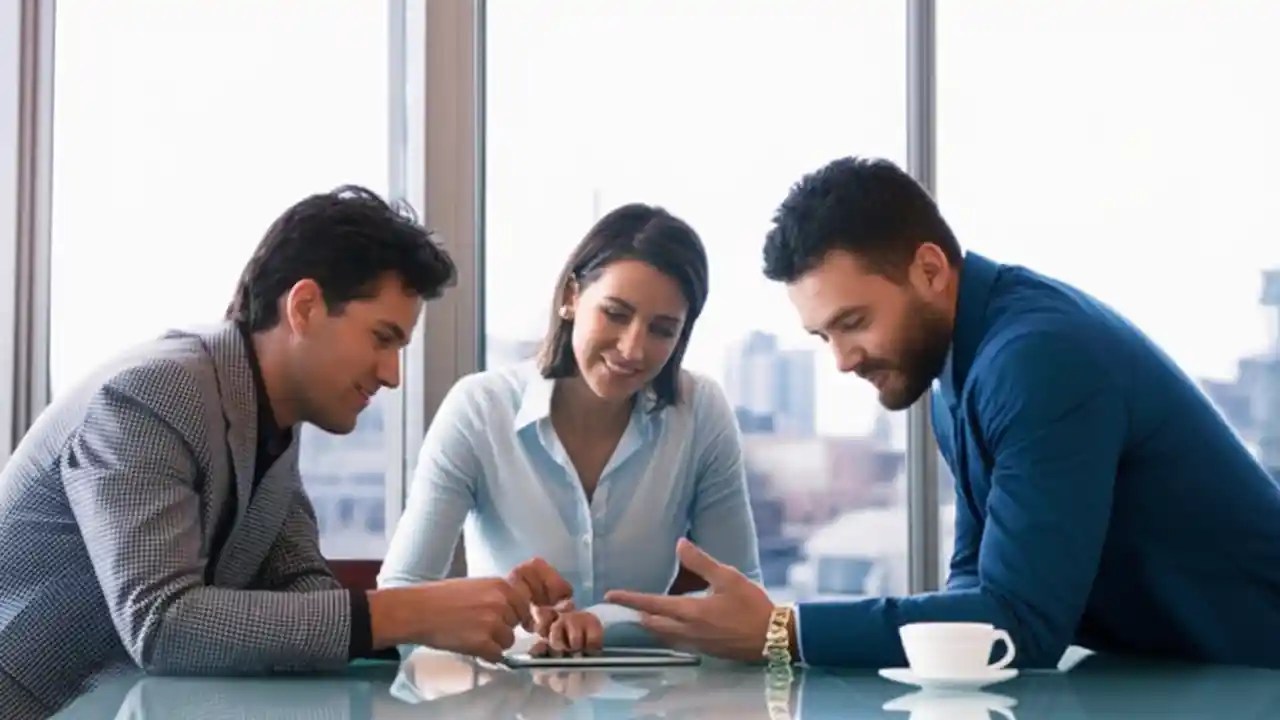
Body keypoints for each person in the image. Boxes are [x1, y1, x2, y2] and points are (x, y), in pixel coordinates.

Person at [606, 157, 1280, 669]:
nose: (843, 360)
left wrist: (781, 631)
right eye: (824, 336)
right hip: (1176, 674)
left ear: (930, 270)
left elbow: (1020, 626)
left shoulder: (1035, 357)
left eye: (854, 322)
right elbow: (977, 584)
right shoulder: (957, 368)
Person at [0, 186, 573, 715]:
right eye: (382, 338)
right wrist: (412, 612)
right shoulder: (157, 391)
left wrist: (481, 606)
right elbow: (162, 622)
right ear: (304, 307)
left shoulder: (268, 420)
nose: (392, 375)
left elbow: (304, 588)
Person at [379, 203, 762, 655]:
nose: (632, 348)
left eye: (663, 329)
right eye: (616, 314)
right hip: (506, 695)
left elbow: (741, 602)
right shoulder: (480, 408)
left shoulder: (701, 412)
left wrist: (602, 621)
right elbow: (401, 594)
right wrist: (513, 633)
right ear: (571, 297)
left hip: (651, 699)